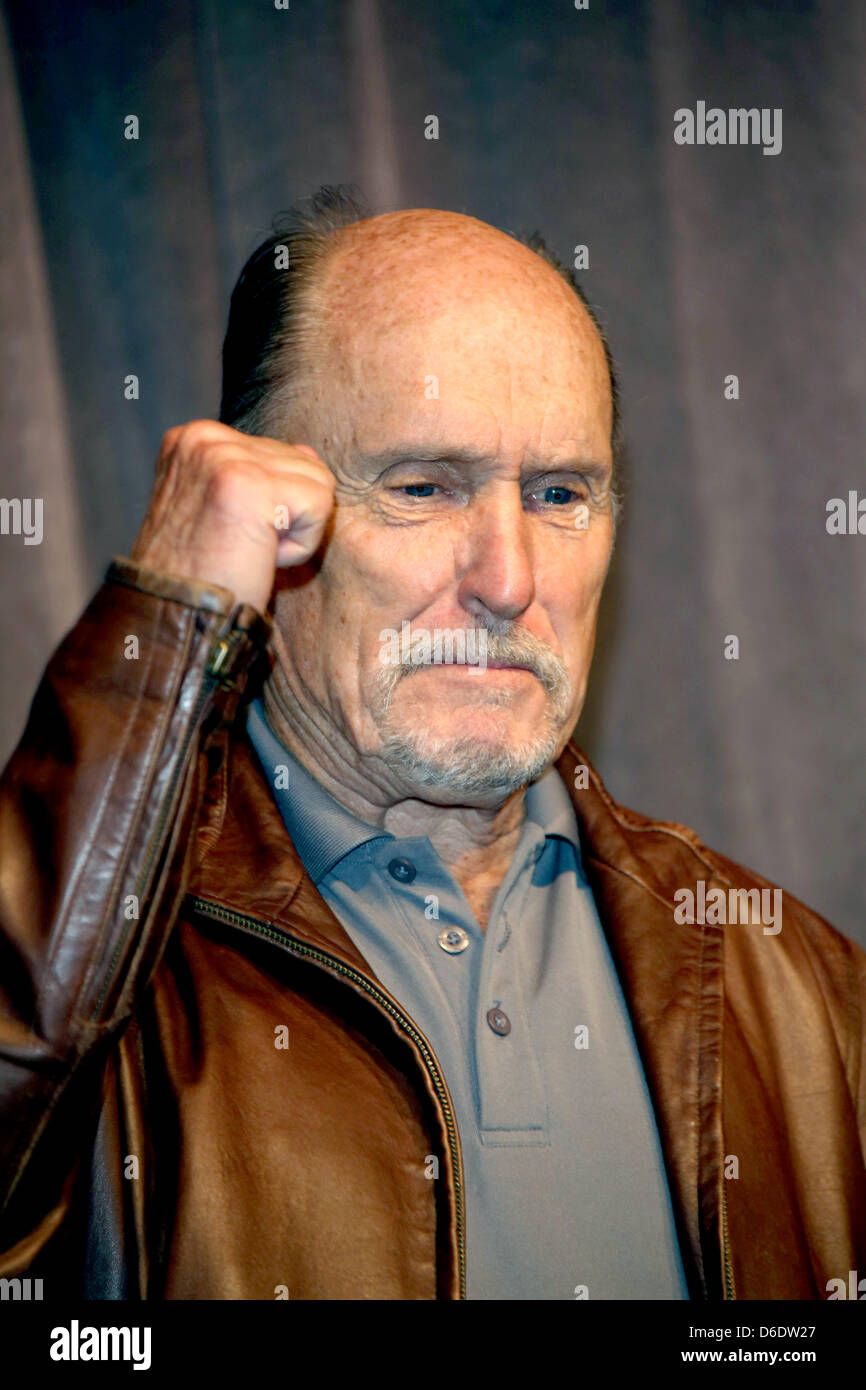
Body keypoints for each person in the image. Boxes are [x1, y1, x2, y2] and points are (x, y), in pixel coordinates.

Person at [0, 187, 864, 1301]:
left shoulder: (796, 990)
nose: (508, 580)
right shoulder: (104, 994)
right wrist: (165, 622)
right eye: (420, 486)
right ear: (262, 524)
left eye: (560, 493)